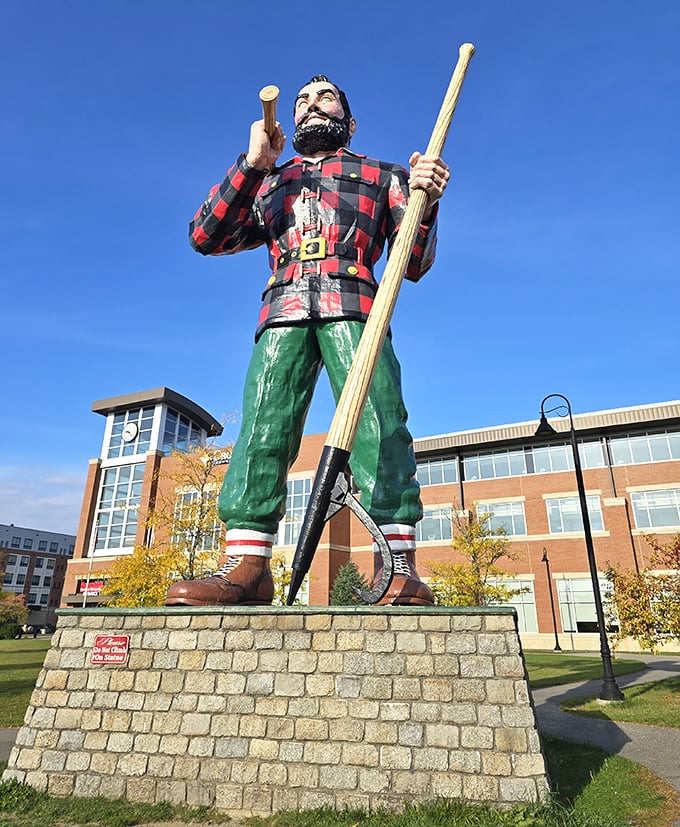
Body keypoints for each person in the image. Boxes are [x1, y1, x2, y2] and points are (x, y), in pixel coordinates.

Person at [165, 75, 450, 608]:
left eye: (325, 97)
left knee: (380, 423)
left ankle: (399, 566)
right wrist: (251, 164)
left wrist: (425, 201)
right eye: (301, 101)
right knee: (263, 427)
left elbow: (412, 264)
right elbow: (205, 236)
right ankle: (248, 566)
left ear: (349, 118)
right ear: (288, 121)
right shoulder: (269, 182)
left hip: (357, 307)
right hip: (284, 308)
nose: (310, 105)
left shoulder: (385, 175)